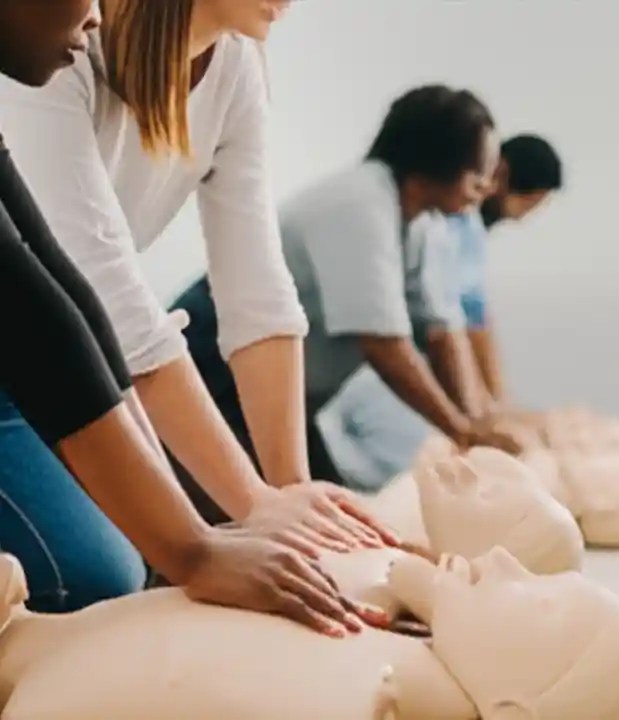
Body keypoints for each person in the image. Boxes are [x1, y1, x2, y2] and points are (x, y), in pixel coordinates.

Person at [0, 0, 389, 634]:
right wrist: (199, 541)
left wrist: (281, 495)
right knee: (99, 578)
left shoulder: (234, 68)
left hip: (47, 356)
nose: (98, 14)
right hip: (20, 367)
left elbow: (74, 300)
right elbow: (71, 305)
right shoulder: (52, 60)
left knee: (137, 557)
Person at [171, 85, 519, 503]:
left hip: (282, 399)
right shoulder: (359, 206)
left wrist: (478, 422)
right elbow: (384, 346)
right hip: (211, 367)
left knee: (333, 517)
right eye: (479, 170)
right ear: (440, 159)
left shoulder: (424, 224)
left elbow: (442, 331)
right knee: (258, 524)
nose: (486, 186)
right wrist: (461, 430)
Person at [316, 134, 564, 489]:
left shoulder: (463, 229)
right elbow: (450, 329)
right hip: (370, 371)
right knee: (406, 462)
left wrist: (492, 406)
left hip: (389, 362)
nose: (526, 218)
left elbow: (473, 320)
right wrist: (476, 417)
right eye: (532, 203)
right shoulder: (440, 223)